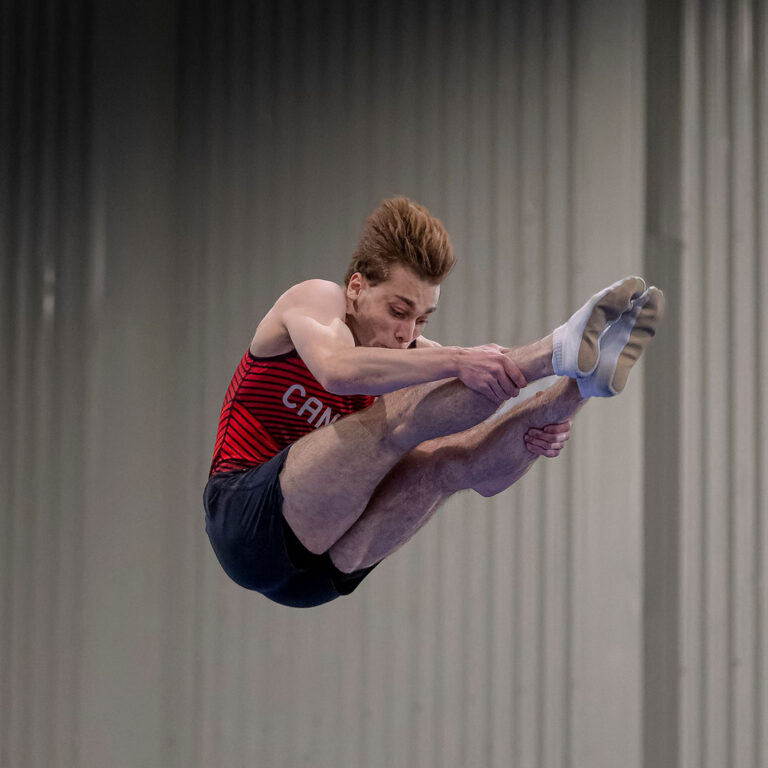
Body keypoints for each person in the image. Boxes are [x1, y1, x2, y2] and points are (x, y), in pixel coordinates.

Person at [203, 197, 664, 608]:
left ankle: (583, 383)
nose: (408, 334)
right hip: (245, 521)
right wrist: (460, 359)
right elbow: (336, 370)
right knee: (395, 422)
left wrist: (539, 426)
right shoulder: (318, 302)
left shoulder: (412, 355)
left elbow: (484, 476)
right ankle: (557, 349)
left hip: (317, 576)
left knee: (442, 464)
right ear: (358, 287)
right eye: (398, 312)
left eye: (422, 319)